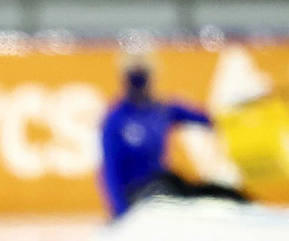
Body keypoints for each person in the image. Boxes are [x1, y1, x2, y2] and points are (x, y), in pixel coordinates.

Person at [100, 50, 246, 218]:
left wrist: (239, 118)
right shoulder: (116, 119)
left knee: (216, 193)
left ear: (152, 76)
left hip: (163, 182)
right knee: (165, 189)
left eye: (143, 74)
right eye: (133, 75)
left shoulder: (162, 110)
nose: (139, 81)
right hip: (137, 193)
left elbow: (207, 119)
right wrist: (119, 210)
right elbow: (110, 168)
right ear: (125, 78)